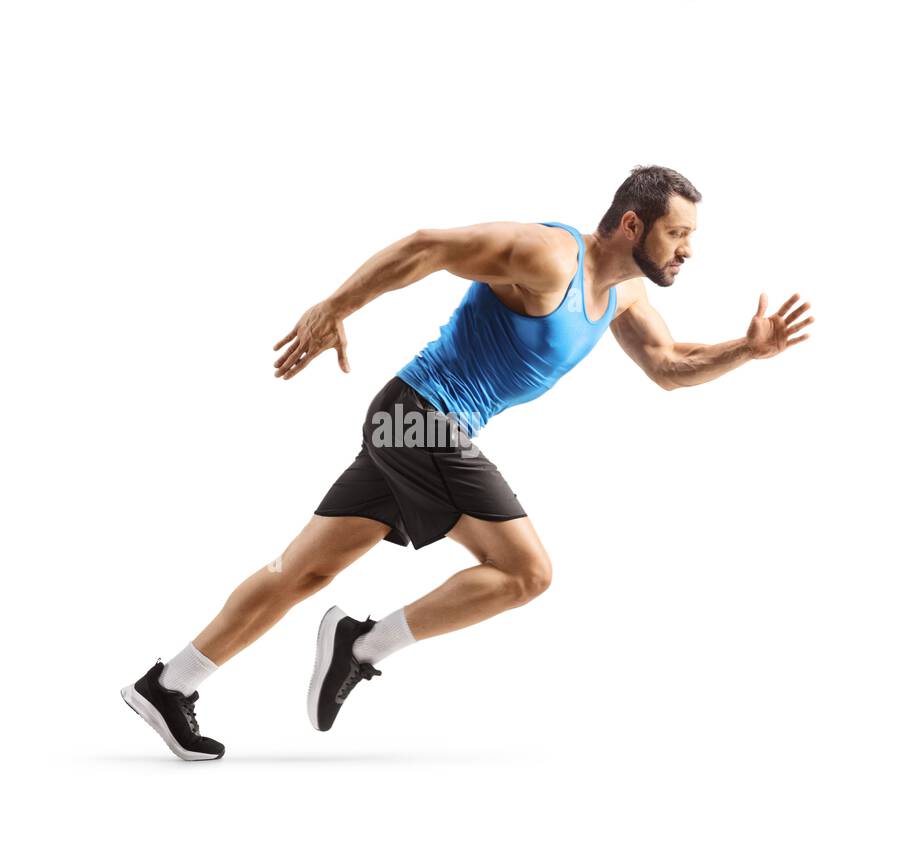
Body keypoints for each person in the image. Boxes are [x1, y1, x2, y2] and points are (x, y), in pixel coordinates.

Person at [120, 164, 814, 760]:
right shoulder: (548, 258)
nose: (688, 251)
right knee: (527, 572)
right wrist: (336, 306)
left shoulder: (623, 293)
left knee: (302, 570)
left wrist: (745, 350)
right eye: (678, 234)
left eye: (691, 238)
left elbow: (668, 365)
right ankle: (360, 647)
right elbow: (429, 246)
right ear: (632, 225)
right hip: (421, 417)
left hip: (411, 427)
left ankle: (169, 684)